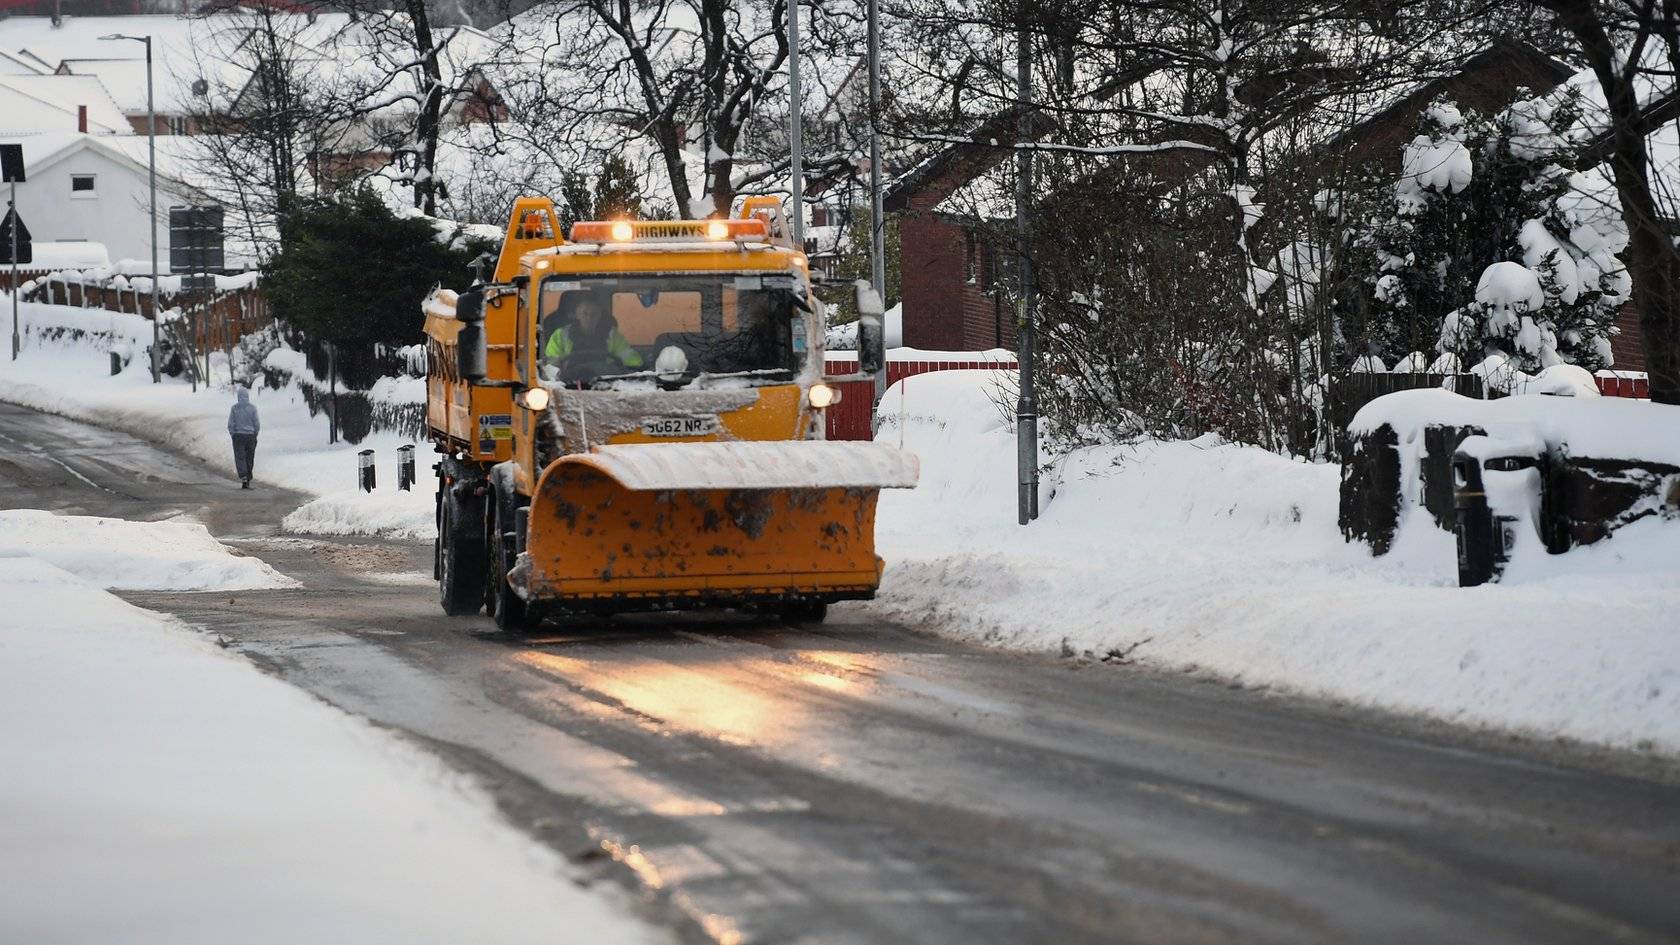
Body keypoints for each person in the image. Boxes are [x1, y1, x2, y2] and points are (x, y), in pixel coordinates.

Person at [543, 293, 644, 376]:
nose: (589, 318)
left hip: (607, 383)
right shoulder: (560, 335)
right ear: (577, 314)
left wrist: (634, 369)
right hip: (568, 385)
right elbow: (551, 365)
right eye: (585, 313)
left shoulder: (613, 335)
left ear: (600, 314)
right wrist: (558, 374)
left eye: (593, 314)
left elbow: (630, 359)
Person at [227, 387, 260, 489]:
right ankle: (248, 477)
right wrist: (255, 433)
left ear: (238, 397)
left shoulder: (235, 408)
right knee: (249, 457)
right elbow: (256, 423)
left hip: (238, 436)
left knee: (240, 457)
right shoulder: (252, 408)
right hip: (250, 436)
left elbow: (231, 423)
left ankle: (244, 477)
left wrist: (233, 434)